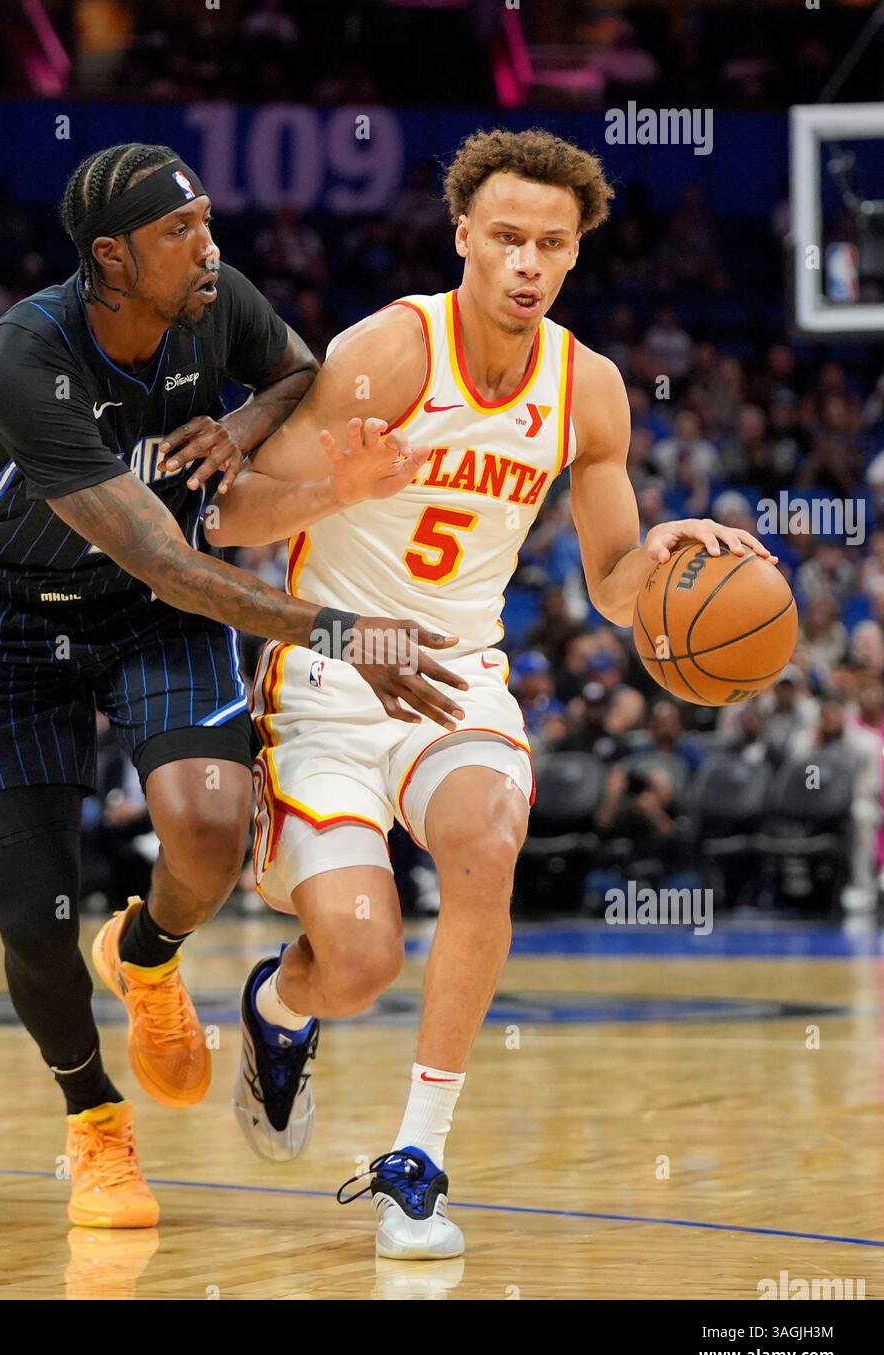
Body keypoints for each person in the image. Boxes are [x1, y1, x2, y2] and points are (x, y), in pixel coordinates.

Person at [205, 127, 777, 1257]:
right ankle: (279, 1010)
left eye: (549, 245)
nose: (525, 262)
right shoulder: (387, 352)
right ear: (462, 236)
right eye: (505, 237)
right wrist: (338, 481)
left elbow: (613, 587)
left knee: (487, 836)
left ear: (573, 256)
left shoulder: (589, 390)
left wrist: (660, 556)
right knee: (358, 963)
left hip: (458, 677)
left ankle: (417, 1157)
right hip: (329, 675)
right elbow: (226, 521)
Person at [0, 141, 467, 1231]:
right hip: (9, 629)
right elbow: (169, 561)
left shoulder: (214, 299)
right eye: (181, 233)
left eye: (208, 221)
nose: (208, 246)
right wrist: (342, 632)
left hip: (147, 622)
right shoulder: (23, 360)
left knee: (212, 827)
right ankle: (94, 1125)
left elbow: (298, 370)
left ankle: (145, 956)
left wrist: (241, 426)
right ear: (112, 258)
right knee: (32, 919)